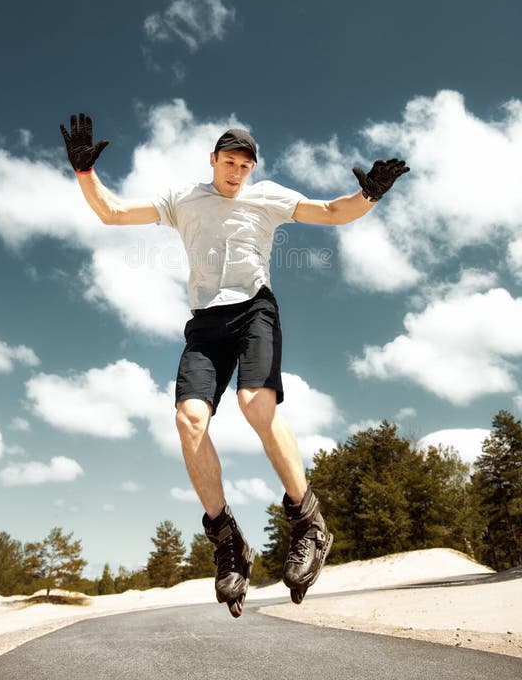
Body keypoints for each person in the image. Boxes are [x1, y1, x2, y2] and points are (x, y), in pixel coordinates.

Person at [60, 113, 409, 617]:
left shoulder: (266, 196)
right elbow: (112, 214)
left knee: (255, 403)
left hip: (254, 312)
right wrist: (85, 174)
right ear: (213, 160)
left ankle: (309, 522)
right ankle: (228, 540)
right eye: (229, 162)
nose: (237, 172)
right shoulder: (183, 200)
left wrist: (370, 195)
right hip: (206, 323)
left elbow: (333, 211)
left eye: (245, 165)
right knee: (189, 420)